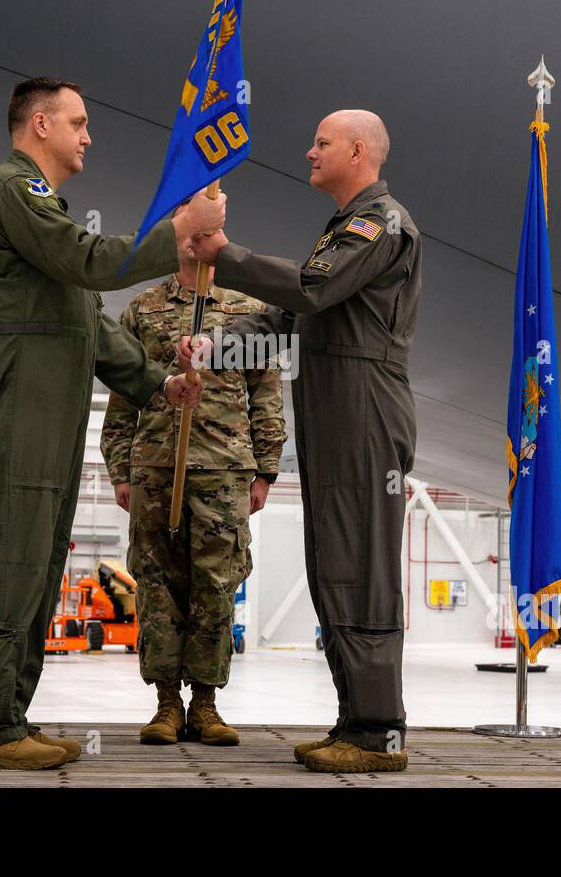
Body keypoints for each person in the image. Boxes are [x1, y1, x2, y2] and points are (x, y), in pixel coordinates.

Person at [0, 77, 223, 771]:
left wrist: (159, 383)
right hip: (20, 397)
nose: (88, 135)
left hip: (47, 402)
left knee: (36, 563)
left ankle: (8, 715)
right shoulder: (15, 193)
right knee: (7, 558)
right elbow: (90, 263)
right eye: (78, 122)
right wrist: (181, 231)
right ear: (39, 124)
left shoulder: (42, 216)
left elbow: (89, 327)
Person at [182, 109, 421, 773]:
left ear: (356, 149)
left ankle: (378, 731)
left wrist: (224, 255)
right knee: (335, 559)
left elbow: (311, 292)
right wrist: (214, 344)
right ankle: (356, 719)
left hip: (364, 409)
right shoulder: (343, 229)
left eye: (320, 143)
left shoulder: (381, 224)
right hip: (336, 409)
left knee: (362, 564)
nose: (309, 152)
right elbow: (287, 316)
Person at [100, 243, 286, 746]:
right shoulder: (142, 309)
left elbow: (266, 394)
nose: (195, 241)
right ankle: (165, 704)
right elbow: (122, 395)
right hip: (156, 468)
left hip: (224, 473)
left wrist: (265, 470)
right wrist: (121, 471)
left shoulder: (247, 312)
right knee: (156, 583)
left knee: (216, 584)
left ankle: (205, 704)